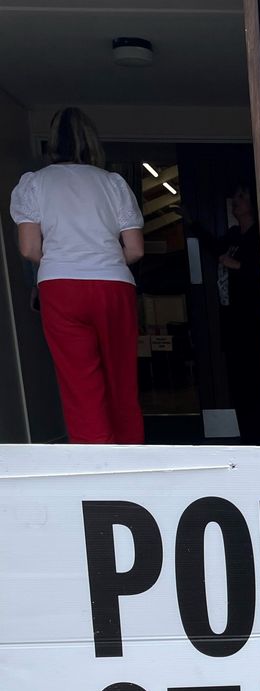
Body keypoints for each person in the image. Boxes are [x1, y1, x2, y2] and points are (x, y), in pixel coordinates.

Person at [9, 107, 144, 444]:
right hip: (113, 284)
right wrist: (105, 260)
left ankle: (97, 470)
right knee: (121, 378)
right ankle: (135, 462)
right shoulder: (113, 183)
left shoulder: (35, 184)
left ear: (53, 142)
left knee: (79, 383)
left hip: (61, 287)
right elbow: (136, 250)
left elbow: (28, 249)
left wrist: (60, 261)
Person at [186, 183, 260, 445]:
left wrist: (238, 265)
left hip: (255, 322)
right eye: (235, 196)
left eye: (242, 195)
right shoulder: (235, 235)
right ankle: (248, 436)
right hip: (234, 321)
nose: (236, 200)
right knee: (239, 381)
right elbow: (215, 247)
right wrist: (194, 225)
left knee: (258, 379)